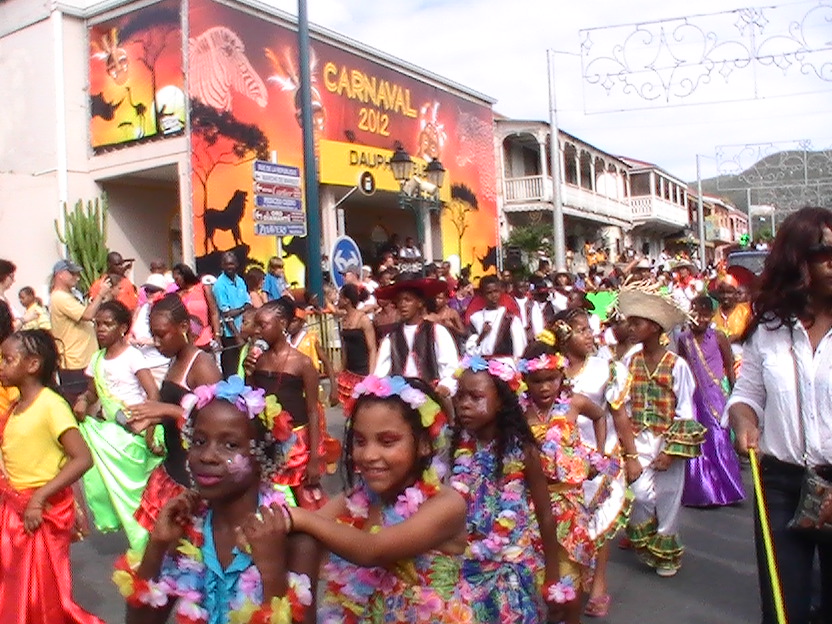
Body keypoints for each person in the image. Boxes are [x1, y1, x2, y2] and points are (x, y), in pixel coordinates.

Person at [114, 376, 315, 624]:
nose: (207, 456)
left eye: (230, 445)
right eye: (199, 442)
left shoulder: (293, 539)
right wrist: (157, 545)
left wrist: (272, 572)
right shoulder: (188, 529)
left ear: (262, 456)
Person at [291, 375, 473, 622]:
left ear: (423, 444)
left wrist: (298, 517)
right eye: (360, 441)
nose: (369, 455)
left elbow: (373, 550)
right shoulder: (358, 499)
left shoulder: (446, 505)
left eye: (387, 442)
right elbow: (312, 529)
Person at [727, 207, 832, 624]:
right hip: (780, 485)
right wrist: (744, 420)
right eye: (823, 252)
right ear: (796, 259)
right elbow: (746, 394)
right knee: (783, 608)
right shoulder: (768, 327)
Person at [0, 329, 102, 623]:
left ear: (33, 365)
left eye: (8, 359)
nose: (1, 366)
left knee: (43, 591)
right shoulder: (16, 407)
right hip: (15, 510)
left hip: (41, 512)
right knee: (16, 585)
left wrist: (39, 498)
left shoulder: (51, 405)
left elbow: (82, 458)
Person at [452, 356, 561, 623]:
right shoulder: (454, 447)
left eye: (476, 397)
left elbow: (545, 514)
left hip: (510, 564)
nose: (464, 404)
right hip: (465, 562)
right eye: (460, 396)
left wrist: (553, 575)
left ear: (501, 401)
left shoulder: (523, 450)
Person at [518, 341, 618, 624]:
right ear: (525, 380)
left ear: (561, 376)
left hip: (569, 501)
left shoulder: (574, 403)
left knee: (569, 567)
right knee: (538, 566)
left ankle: (568, 612)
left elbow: (600, 416)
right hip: (533, 501)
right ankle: (549, 611)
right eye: (537, 381)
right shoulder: (519, 412)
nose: (545, 387)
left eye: (551, 379)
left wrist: (598, 454)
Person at [550, 311, 642, 618]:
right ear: (564, 336)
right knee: (565, 525)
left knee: (598, 523)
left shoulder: (607, 370)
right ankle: (568, 580)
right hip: (561, 462)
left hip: (602, 457)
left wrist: (631, 457)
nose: (590, 335)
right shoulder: (549, 370)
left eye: (589, 329)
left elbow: (619, 416)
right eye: (581, 330)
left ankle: (599, 582)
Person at [617, 285, 705, 577]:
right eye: (630, 323)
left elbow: (685, 410)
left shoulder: (677, 365)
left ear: (654, 328)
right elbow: (622, 402)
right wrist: (627, 446)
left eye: (637, 323)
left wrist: (670, 452)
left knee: (668, 496)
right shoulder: (630, 360)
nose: (631, 328)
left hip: (667, 440)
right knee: (640, 494)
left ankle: (666, 549)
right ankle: (645, 537)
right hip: (638, 439)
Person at [125, 294, 222, 530]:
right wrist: (149, 419)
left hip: (195, 477)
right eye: (154, 335)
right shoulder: (175, 359)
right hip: (173, 467)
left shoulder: (202, 366)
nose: (157, 343)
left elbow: (217, 422)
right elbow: (178, 411)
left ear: (184, 327)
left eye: (162, 335)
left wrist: (166, 409)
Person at [73, 301, 164, 551]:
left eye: (107, 324)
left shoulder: (132, 356)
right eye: (97, 324)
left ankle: (150, 537)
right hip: (114, 431)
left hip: (136, 430)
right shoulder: (97, 359)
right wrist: (83, 400)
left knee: (138, 491)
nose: (100, 329)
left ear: (123, 328)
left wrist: (149, 431)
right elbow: (92, 392)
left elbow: (153, 395)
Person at [245, 298, 329, 506]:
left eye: (262, 325)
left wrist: (314, 458)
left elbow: (312, 410)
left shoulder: (302, 363)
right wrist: (249, 374)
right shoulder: (257, 359)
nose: (257, 331)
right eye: (255, 325)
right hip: (267, 442)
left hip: (297, 445)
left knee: (304, 500)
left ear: (282, 323)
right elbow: (252, 400)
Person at [676, 296, 745, 508]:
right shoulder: (683, 339)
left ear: (711, 316)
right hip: (694, 398)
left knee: (718, 439)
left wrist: (735, 395)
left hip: (715, 396)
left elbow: (729, 365)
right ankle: (704, 492)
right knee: (699, 444)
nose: (700, 319)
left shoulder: (719, 337)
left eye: (705, 315)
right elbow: (682, 368)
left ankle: (728, 489)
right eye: (696, 314)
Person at [373, 275, 459, 397]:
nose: (403, 305)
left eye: (408, 300)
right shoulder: (392, 336)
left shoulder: (436, 331)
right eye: (399, 301)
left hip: (430, 393)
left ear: (420, 302)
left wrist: (446, 385)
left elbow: (450, 366)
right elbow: (380, 372)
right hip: (399, 397)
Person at [50, 259, 112, 404]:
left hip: (83, 360)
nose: (77, 278)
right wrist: (100, 294)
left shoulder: (69, 296)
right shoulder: (60, 297)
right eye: (72, 274)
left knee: (91, 402)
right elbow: (87, 315)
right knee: (79, 404)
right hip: (75, 362)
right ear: (60, 274)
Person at [286, 306, 338, 407]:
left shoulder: (311, 339)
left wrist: (334, 388)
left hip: (311, 389)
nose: (290, 325)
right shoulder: (284, 341)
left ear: (302, 322)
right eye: (289, 321)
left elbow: (326, 362)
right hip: (292, 390)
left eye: (294, 321)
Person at [465, 275, 527, 358]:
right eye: (489, 293)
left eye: (496, 291)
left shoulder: (510, 318)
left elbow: (519, 348)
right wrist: (482, 335)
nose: (494, 295)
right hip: (480, 362)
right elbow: (470, 349)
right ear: (482, 295)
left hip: (504, 362)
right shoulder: (475, 318)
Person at [335, 283, 376, 406]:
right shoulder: (344, 319)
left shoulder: (363, 319)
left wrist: (371, 375)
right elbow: (344, 348)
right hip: (349, 371)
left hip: (363, 372)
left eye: (340, 297)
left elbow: (372, 348)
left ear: (347, 300)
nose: (338, 300)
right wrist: (342, 369)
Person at [213, 252, 251, 377]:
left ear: (237, 264)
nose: (230, 267)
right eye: (227, 264)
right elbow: (226, 314)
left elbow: (248, 304)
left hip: (244, 330)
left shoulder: (240, 281)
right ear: (222, 265)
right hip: (230, 335)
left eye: (232, 264)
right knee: (232, 371)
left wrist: (238, 310)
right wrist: (237, 336)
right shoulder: (219, 285)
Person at [171, 263, 221, 352]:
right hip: (186, 341)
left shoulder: (202, 288)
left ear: (184, 275)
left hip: (205, 338)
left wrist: (217, 335)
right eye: (174, 280)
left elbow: (214, 312)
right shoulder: (178, 295)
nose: (176, 283)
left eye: (177, 279)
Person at [428, 285, 467, 350]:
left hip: (451, 346)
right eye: (435, 298)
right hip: (434, 347)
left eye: (440, 298)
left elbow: (464, 333)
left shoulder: (452, 313)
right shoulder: (430, 314)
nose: (436, 300)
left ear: (446, 300)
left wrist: (452, 327)